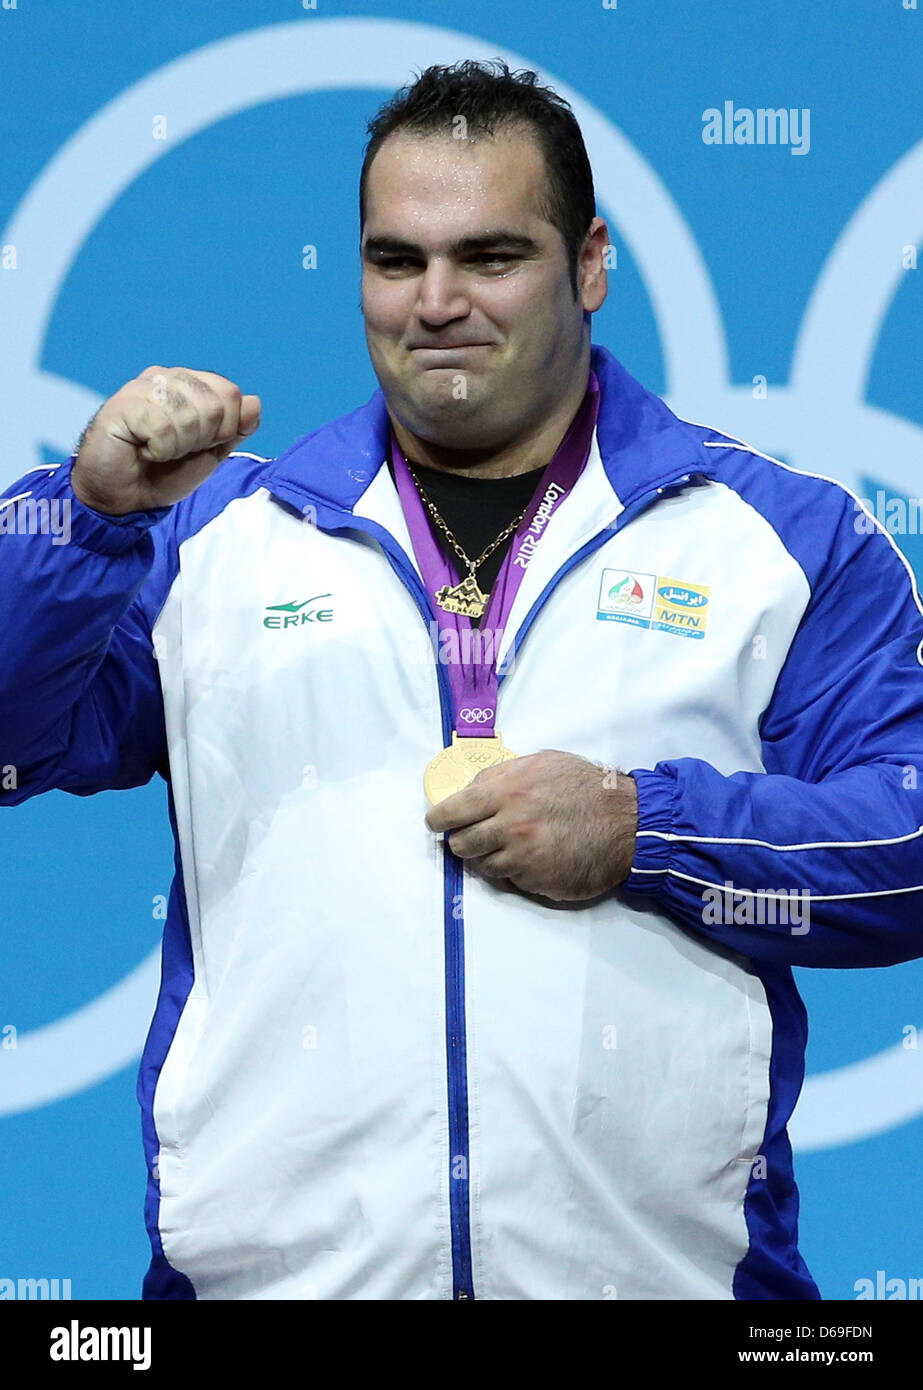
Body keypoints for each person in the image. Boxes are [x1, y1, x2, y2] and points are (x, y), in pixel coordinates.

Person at [2, 59, 922, 1302]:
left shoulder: (776, 537)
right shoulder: (208, 538)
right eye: (395, 261)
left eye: (489, 257)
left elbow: (908, 844)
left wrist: (647, 832)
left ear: (588, 264)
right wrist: (87, 513)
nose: (435, 302)